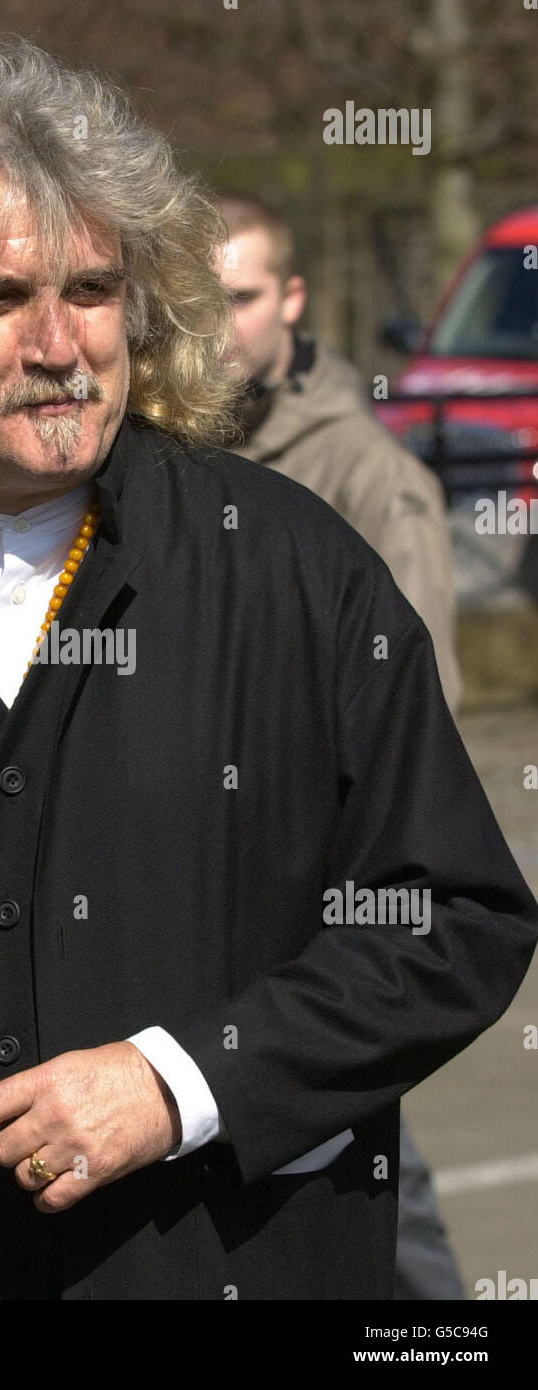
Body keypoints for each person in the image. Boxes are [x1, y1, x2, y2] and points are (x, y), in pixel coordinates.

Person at [0, 36, 538, 1301]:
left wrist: (181, 1082)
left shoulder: (296, 572)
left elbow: (455, 915)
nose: (61, 344)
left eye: (95, 289)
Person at [215, 193, 467, 1299]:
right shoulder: (166, 453)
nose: (217, 326)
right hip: (198, 904)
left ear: (293, 300)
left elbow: (422, 734)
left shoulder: (368, 477)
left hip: (322, 923)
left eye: (241, 298)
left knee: (374, 1188)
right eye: (197, 300)